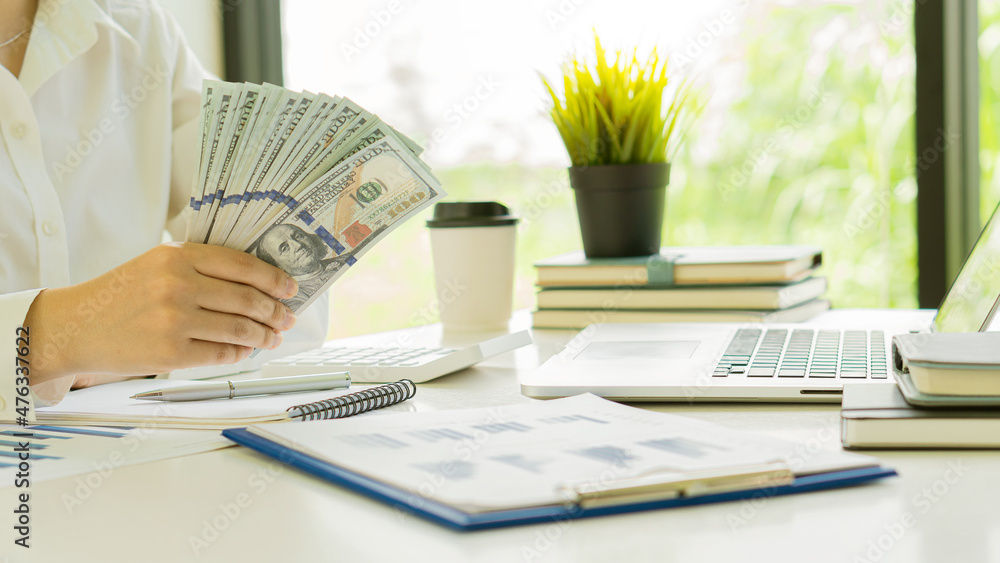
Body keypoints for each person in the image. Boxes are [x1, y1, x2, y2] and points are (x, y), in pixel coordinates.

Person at [0, 0, 328, 420]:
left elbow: (297, 307)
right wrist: (65, 337)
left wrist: (137, 351)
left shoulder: (142, 33)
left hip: (126, 448)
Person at [253, 224, 348, 311]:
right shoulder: (292, 301)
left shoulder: (347, 259)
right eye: (285, 248)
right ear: (277, 267)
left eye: (298, 236)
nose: (298, 245)